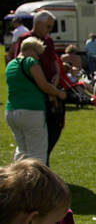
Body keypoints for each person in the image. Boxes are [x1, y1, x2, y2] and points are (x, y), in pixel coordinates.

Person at [10, 12, 70, 161]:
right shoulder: (25, 41)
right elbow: (23, 65)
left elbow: (54, 60)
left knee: (54, 129)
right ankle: (36, 172)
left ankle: (37, 167)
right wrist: (52, 90)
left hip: (49, 91)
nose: (49, 29)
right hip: (38, 95)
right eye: (48, 26)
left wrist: (56, 75)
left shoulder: (48, 41)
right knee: (35, 143)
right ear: (37, 24)